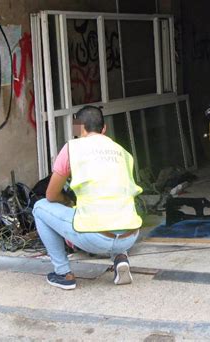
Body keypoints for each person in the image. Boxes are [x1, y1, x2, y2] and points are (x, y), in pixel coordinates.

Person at [32, 105, 142, 290]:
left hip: (96, 237)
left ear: (79, 128)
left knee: (40, 207)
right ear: (104, 128)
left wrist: (67, 202)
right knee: (114, 206)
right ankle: (120, 257)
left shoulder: (72, 148)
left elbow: (51, 195)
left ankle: (63, 273)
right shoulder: (122, 152)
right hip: (130, 235)